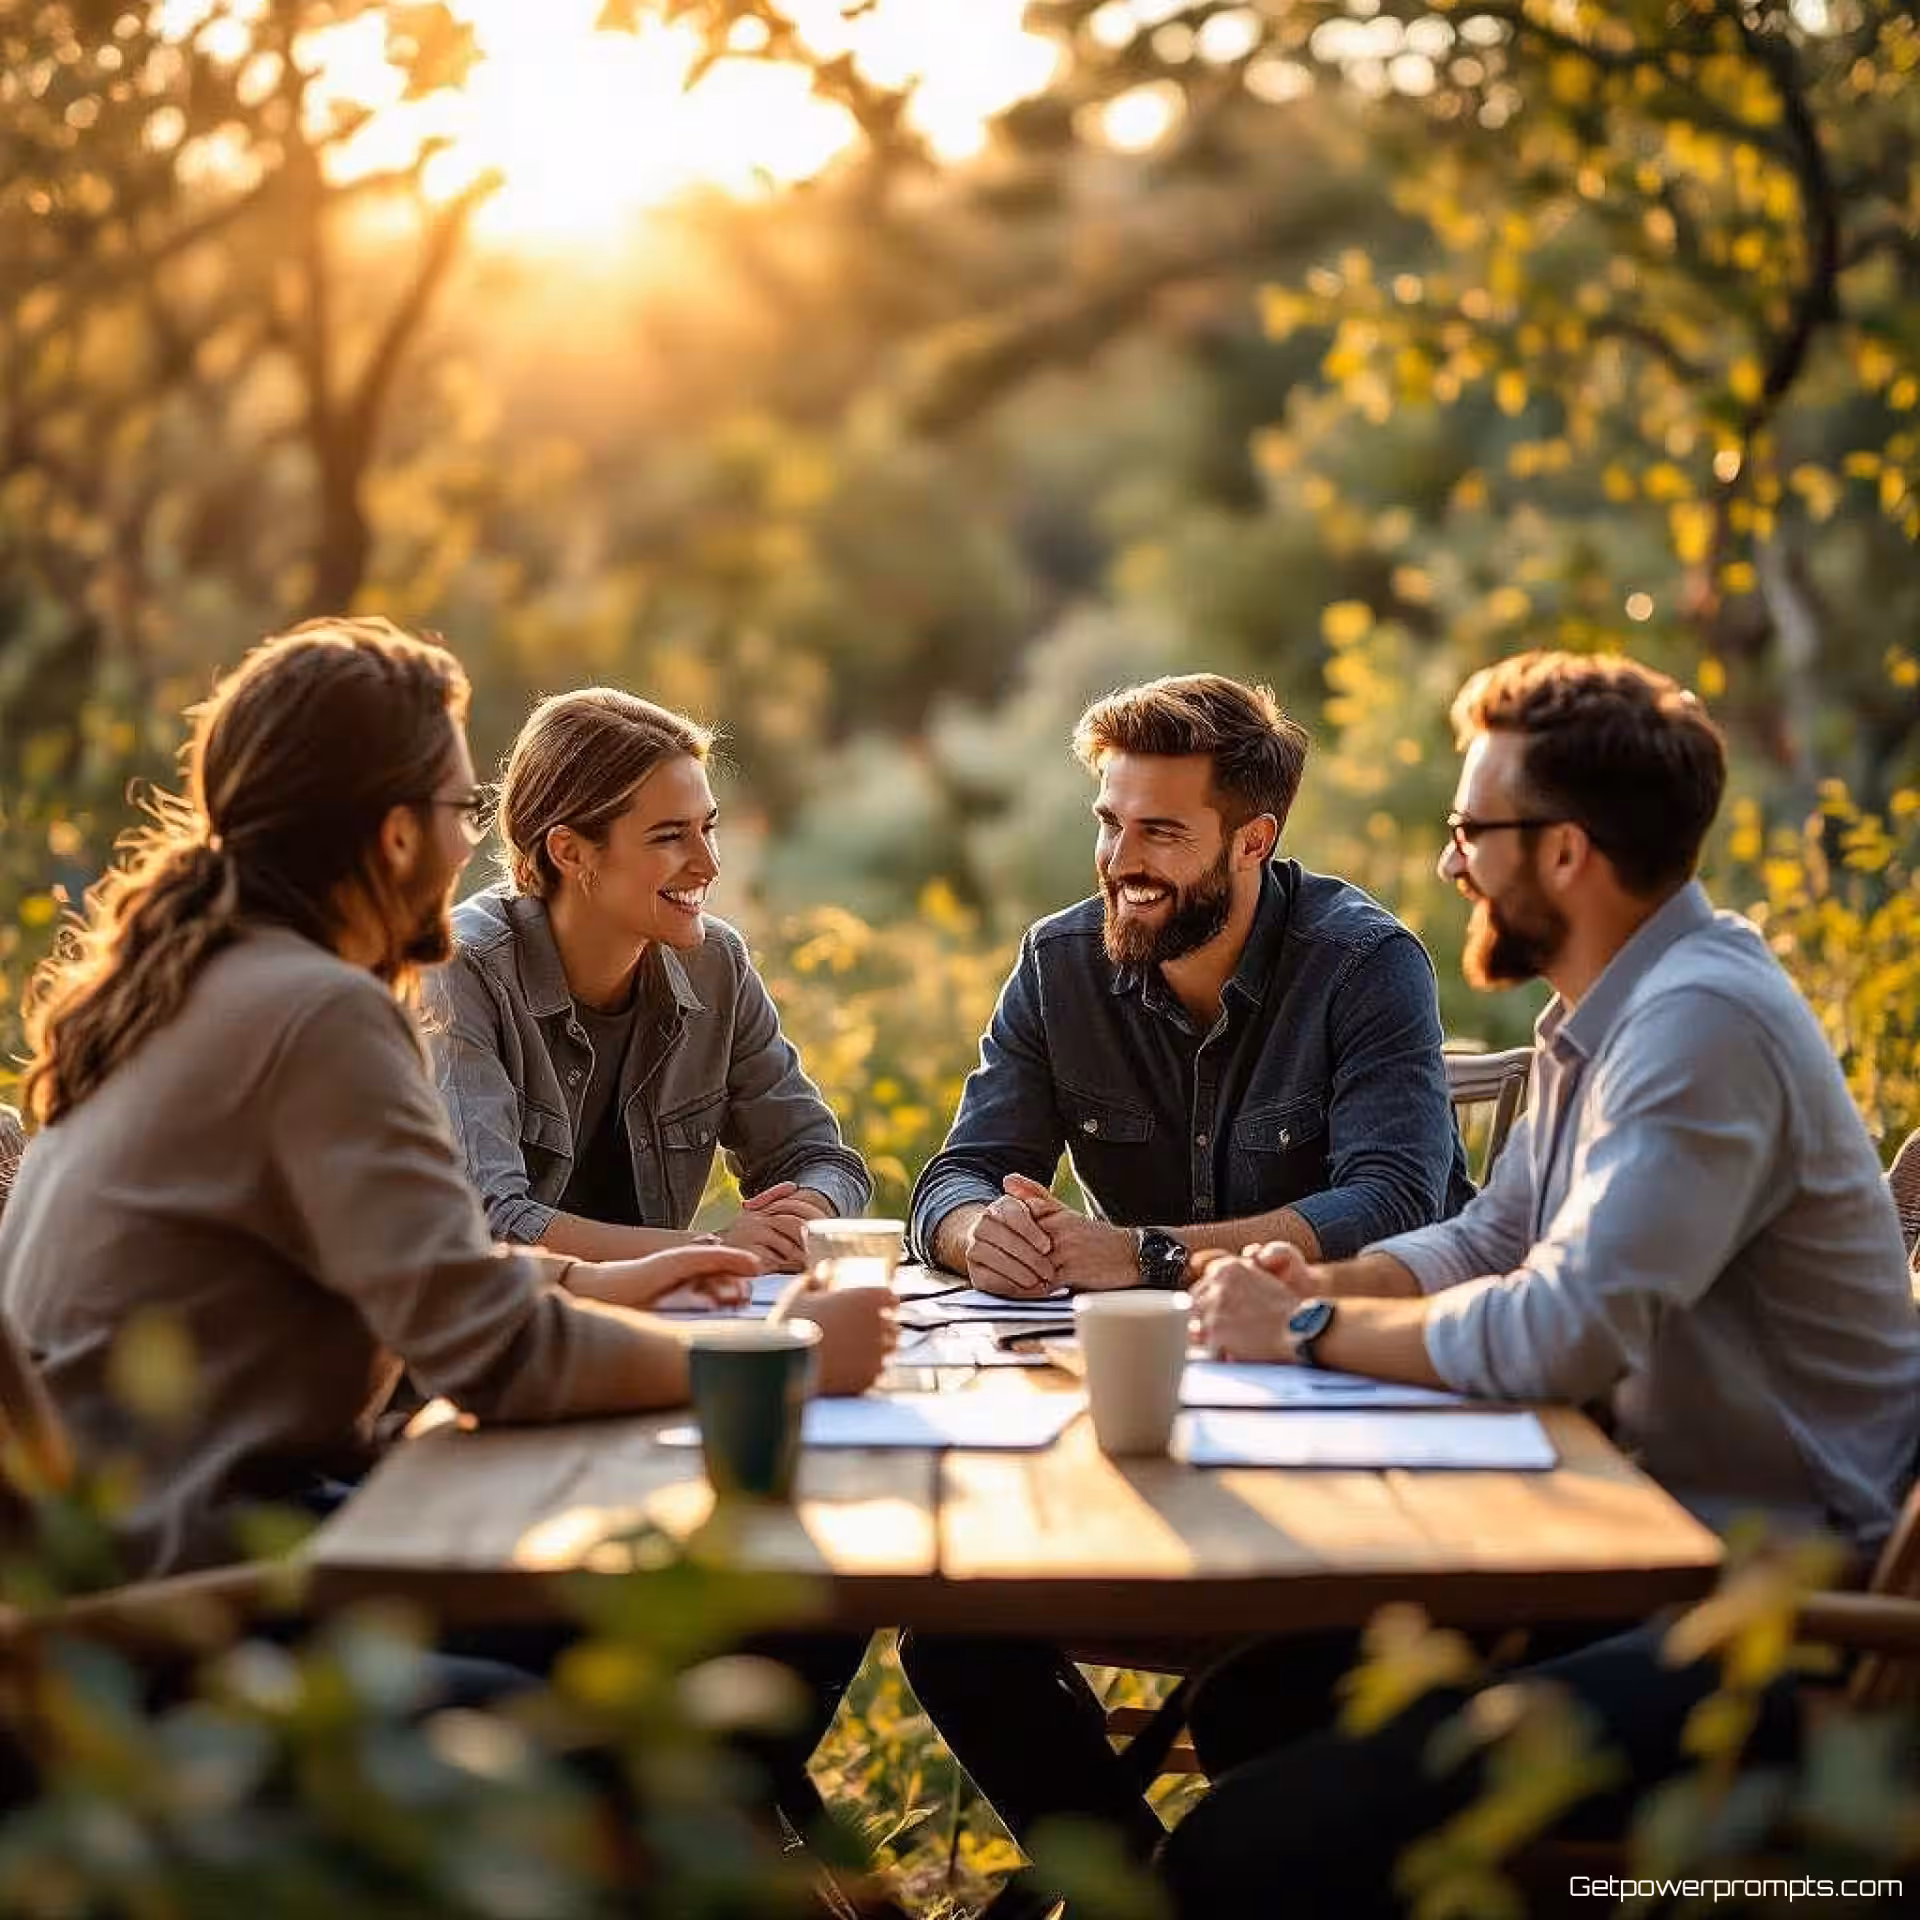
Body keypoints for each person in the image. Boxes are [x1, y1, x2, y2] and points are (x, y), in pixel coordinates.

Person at [0, 622, 892, 1583]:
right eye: (462, 807)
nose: (476, 838)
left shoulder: (201, 979)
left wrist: (585, 1283)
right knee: (765, 1601)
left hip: (142, 1531)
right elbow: (494, 1358)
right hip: (201, 1570)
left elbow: (420, 1272)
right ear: (393, 836)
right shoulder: (320, 1011)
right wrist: (785, 1364)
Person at [897, 672, 1473, 1897]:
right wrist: (969, 1236)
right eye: (1110, 823)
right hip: (1150, 1427)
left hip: (1363, 1431)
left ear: (1252, 841)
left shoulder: (1365, 964)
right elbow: (952, 1176)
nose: (1121, 861)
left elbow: (1396, 1205)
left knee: (1274, 1680)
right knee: (952, 1639)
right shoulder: (1058, 965)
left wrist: (1148, 1255)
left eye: (1160, 831)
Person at [1192, 650, 1920, 1559]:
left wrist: (1307, 1329)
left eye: (1471, 829)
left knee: (1297, 1687)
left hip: (1777, 1589)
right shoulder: (1614, 1009)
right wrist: (1318, 1284)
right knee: (1267, 1681)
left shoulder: (1702, 1025)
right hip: (1629, 1526)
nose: (1451, 861)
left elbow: (1565, 1330)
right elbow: (1496, 1237)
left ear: (1566, 851)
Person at [424, 688, 870, 1276]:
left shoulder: (717, 966)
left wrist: (804, 1212)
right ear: (570, 851)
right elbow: (490, 1224)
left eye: (707, 827)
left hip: (664, 1326)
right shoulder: (461, 969)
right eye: (669, 836)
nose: (709, 864)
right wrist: (713, 1253)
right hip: (510, 1347)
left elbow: (817, 1156)